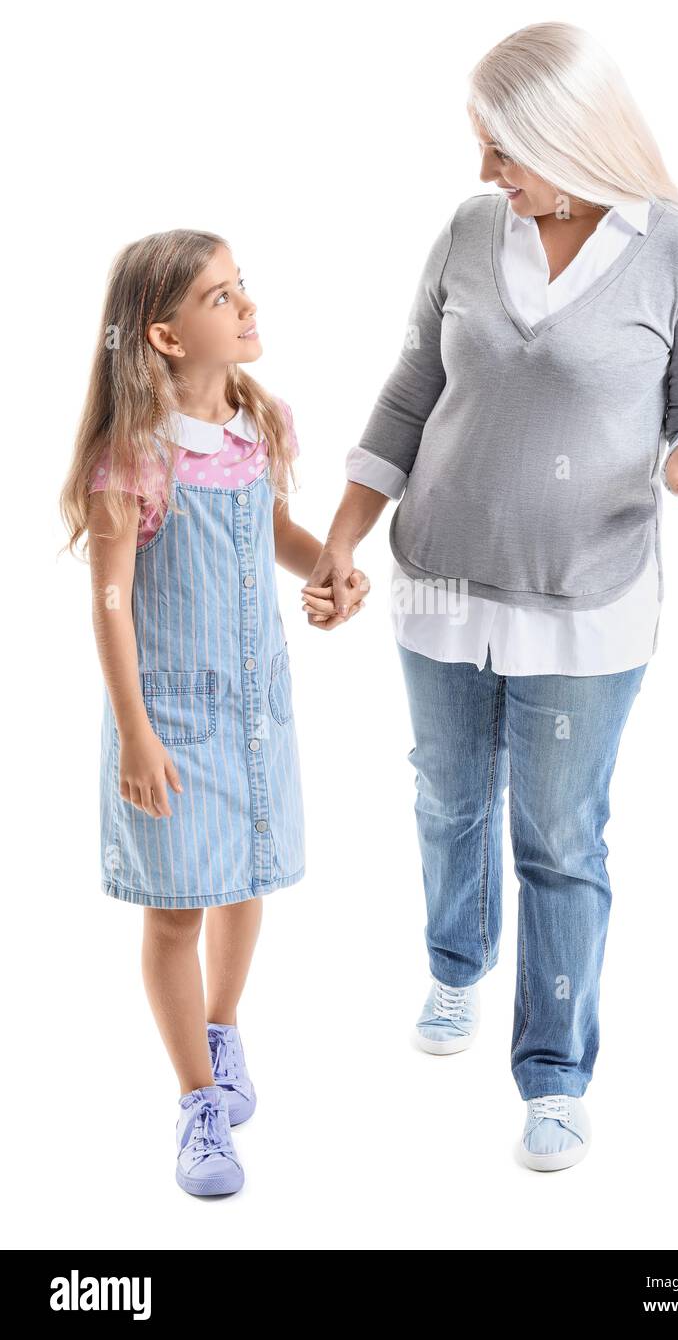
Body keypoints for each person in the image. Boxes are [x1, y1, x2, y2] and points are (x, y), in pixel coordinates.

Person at [300, 21, 678, 1172]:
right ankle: (457, 966)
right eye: (483, 146)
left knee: (559, 836)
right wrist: (340, 545)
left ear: (572, 132)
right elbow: (409, 393)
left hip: (585, 601)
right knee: (447, 797)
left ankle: (553, 1073)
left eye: (507, 150)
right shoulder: (467, 229)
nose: (487, 173)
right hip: (442, 580)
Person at [59, 229, 369, 1195]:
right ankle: (197, 1101)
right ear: (164, 335)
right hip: (173, 721)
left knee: (248, 878)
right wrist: (137, 732)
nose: (246, 305)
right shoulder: (133, 458)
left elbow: (273, 527)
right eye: (220, 296)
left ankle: (221, 1028)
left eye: (243, 287)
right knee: (176, 908)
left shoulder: (257, 421)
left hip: (255, 709)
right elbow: (109, 599)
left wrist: (329, 566)